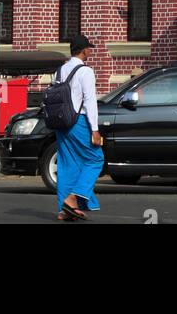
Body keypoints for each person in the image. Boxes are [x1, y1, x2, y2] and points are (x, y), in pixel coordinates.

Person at [54, 34, 104, 222]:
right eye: (89, 48)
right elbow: (90, 101)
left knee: (67, 164)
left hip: (61, 122)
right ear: (84, 50)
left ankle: (64, 210)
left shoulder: (60, 70)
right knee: (96, 159)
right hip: (79, 121)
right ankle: (73, 198)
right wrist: (95, 129)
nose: (90, 50)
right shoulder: (85, 72)